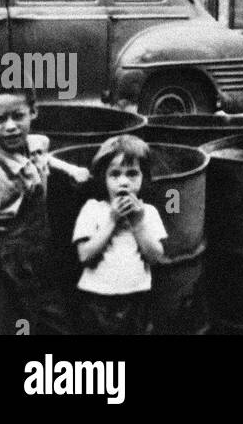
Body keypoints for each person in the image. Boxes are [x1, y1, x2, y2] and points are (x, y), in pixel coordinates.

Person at [0, 89, 88, 336]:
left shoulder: (33, 146)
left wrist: (72, 171)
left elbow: (44, 158)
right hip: (7, 278)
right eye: (0, 119)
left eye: (18, 116)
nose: (11, 127)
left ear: (33, 112)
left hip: (39, 265)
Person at [72, 135, 167, 335]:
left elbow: (156, 257)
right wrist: (112, 220)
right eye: (114, 174)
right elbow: (84, 256)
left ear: (144, 177)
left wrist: (138, 222)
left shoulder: (148, 212)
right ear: (103, 178)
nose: (123, 182)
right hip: (97, 299)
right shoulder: (92, 209)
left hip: (136, 298)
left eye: (132, 174)